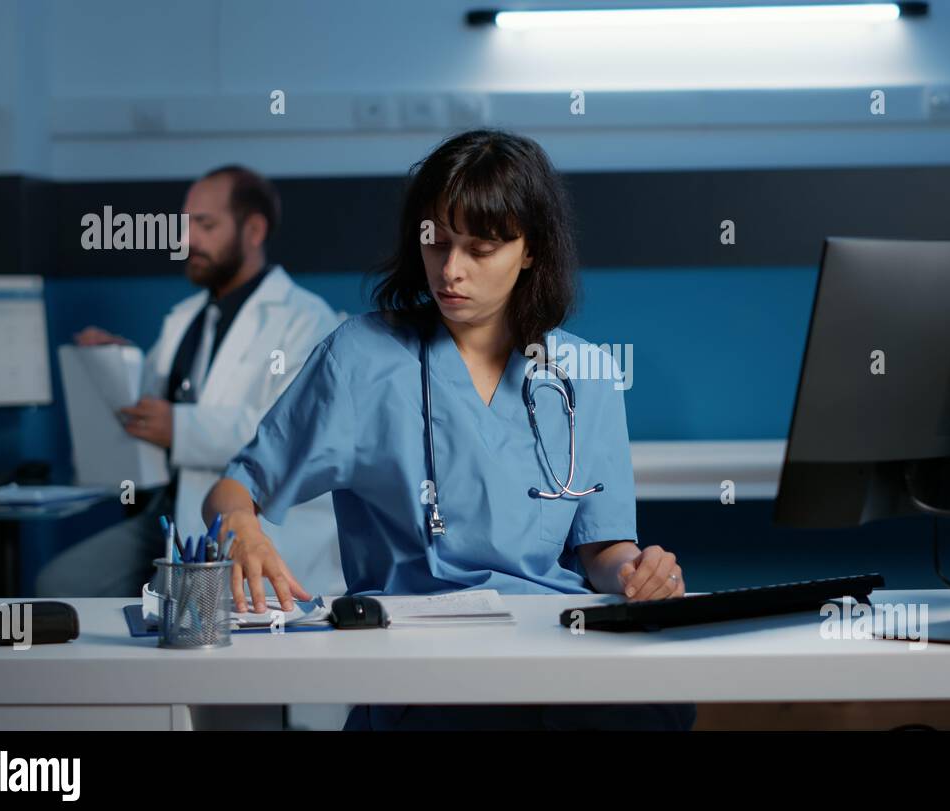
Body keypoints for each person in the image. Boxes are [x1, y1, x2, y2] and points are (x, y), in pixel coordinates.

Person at [203, 130, 695, 731]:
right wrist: (242, 531)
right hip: (420, 659)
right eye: (436, 242)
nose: (451, 271)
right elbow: (234, 489)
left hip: (555, 645)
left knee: (658, 704)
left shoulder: (585, 373)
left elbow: (600, 547)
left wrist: (638, 572)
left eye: (481, 249)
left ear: (531, 250)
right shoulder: (361, 359)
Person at [37, 166, 344, 599]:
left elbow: (286, 436)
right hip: (167, 515)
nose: (187, 240)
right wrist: (118, 364)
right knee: (60, 584)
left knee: (192, 621)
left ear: (253, 230)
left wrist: (178, 428)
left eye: (206, 225)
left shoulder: (304, 319)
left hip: (247, 523)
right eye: (184, 225)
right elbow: (150, 408)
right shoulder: (185, 319)